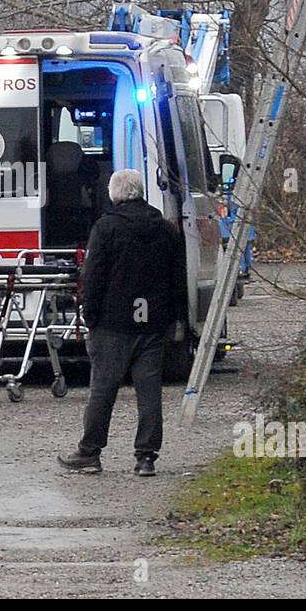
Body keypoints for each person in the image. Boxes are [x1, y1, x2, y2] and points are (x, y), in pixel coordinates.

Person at [58, 169, 186, 477]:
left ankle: (90, 452)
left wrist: (90, 315)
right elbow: (177, 278)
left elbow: (94, 276)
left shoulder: (106, 228)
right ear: (141, 192)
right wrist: (174, 318)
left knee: (103, 389)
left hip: (113, 325)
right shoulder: (167, 230)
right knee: (149, 391)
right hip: (153, 324)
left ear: (114, 195)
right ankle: (146, 457)